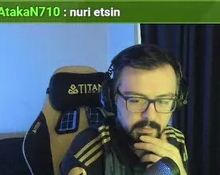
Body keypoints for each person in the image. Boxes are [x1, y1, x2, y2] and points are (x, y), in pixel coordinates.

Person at [61, 44, 190, 175]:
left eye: (163, 101)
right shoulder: (89, 151)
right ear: (112, 98)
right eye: (135, 100)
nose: (150, 116)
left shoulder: (175, 140)